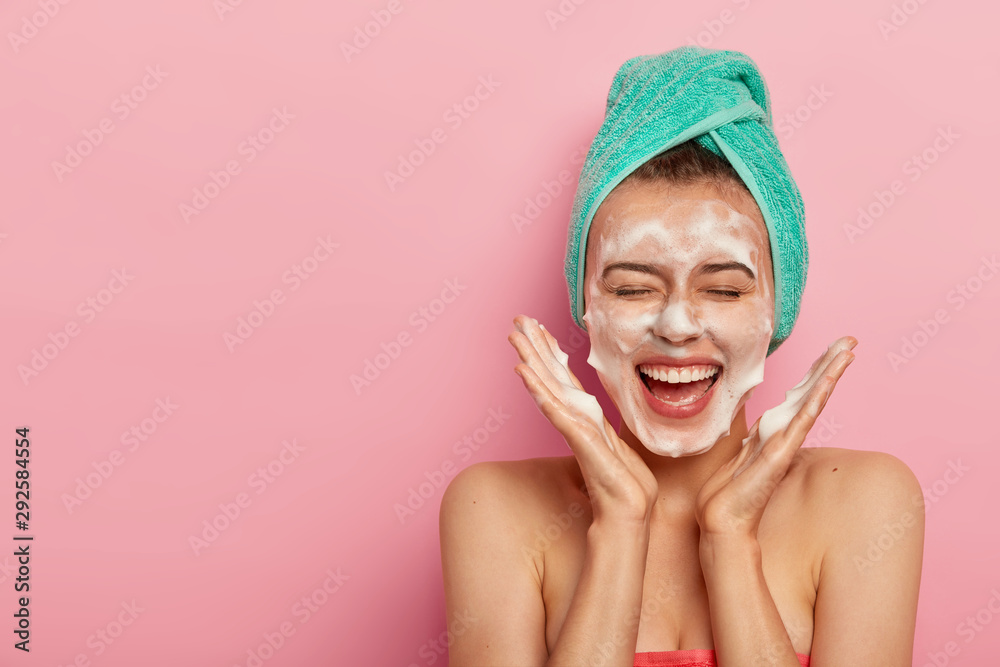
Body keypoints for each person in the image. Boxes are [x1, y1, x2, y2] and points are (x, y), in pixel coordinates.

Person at [439, 46, 923, 667]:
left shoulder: (865, 502)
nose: (676, 324)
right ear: (585, 305)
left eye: (723, 289)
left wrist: (730, 540)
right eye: (632, 288)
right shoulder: (495, 510)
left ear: (779, 306)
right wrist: (618, 524)